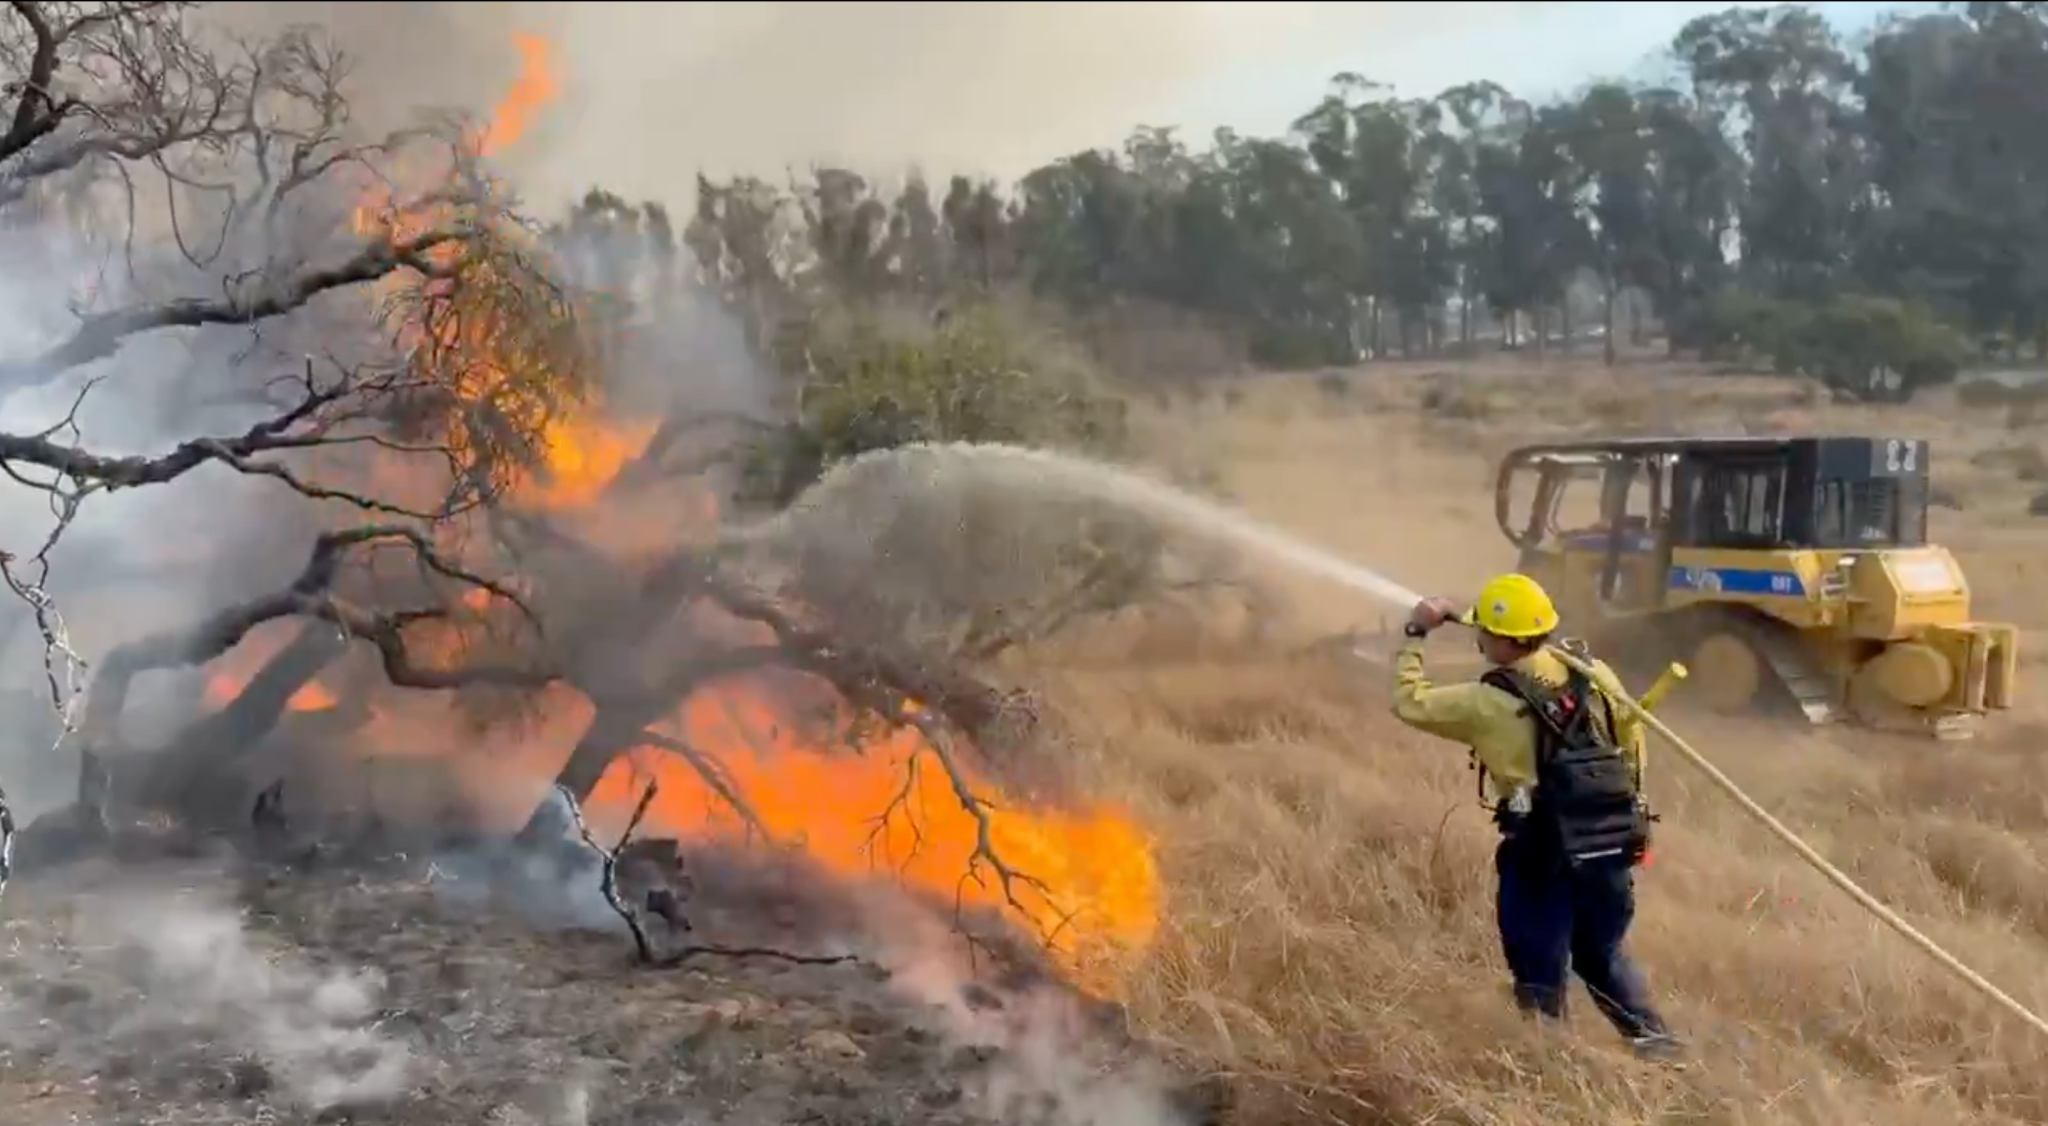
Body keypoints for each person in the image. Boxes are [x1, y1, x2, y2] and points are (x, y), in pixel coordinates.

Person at [1391, 572, 1682, 1061]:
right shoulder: (1595, 674)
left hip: (1541, 855)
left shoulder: (1486, 702)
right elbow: (1632, 741)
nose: (1478, 635)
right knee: (1602, 957)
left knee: (1539, 972)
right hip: (1613, 846)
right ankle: (1662, 1051)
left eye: (1484, 630)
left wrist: (1416, 634)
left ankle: (1552, 1074)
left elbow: (1408, 700)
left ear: (1502, 640)